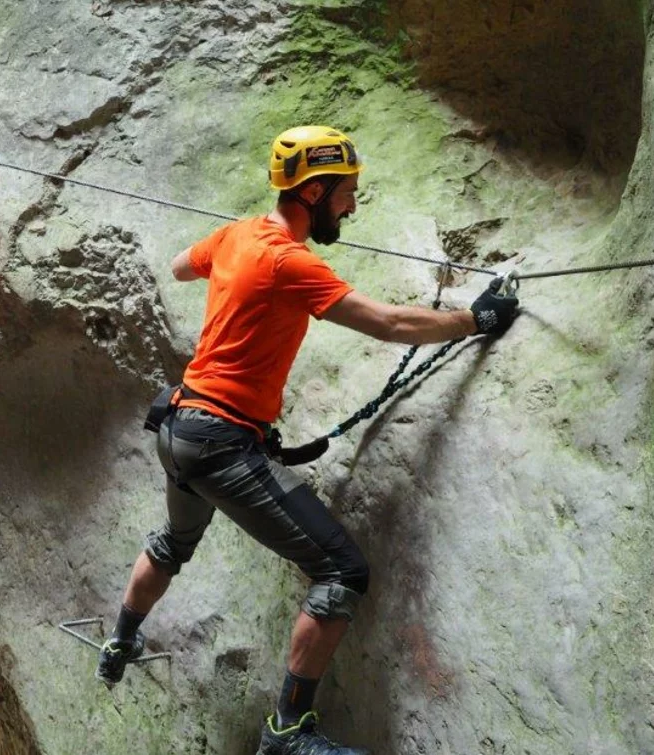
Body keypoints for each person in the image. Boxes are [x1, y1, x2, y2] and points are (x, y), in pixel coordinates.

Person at [97, 126, 519, 754]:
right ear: (315, 191)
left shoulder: (239, 235)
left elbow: (183, 267)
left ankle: (122, 638)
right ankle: (286, 732)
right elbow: (390, 323)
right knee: (341, 569)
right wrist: (475, 320)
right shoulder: (292, 262)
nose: (352, 206)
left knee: (173, 540)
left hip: (180, 430)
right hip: (219, 442)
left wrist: (235, 249)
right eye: (347, 193)